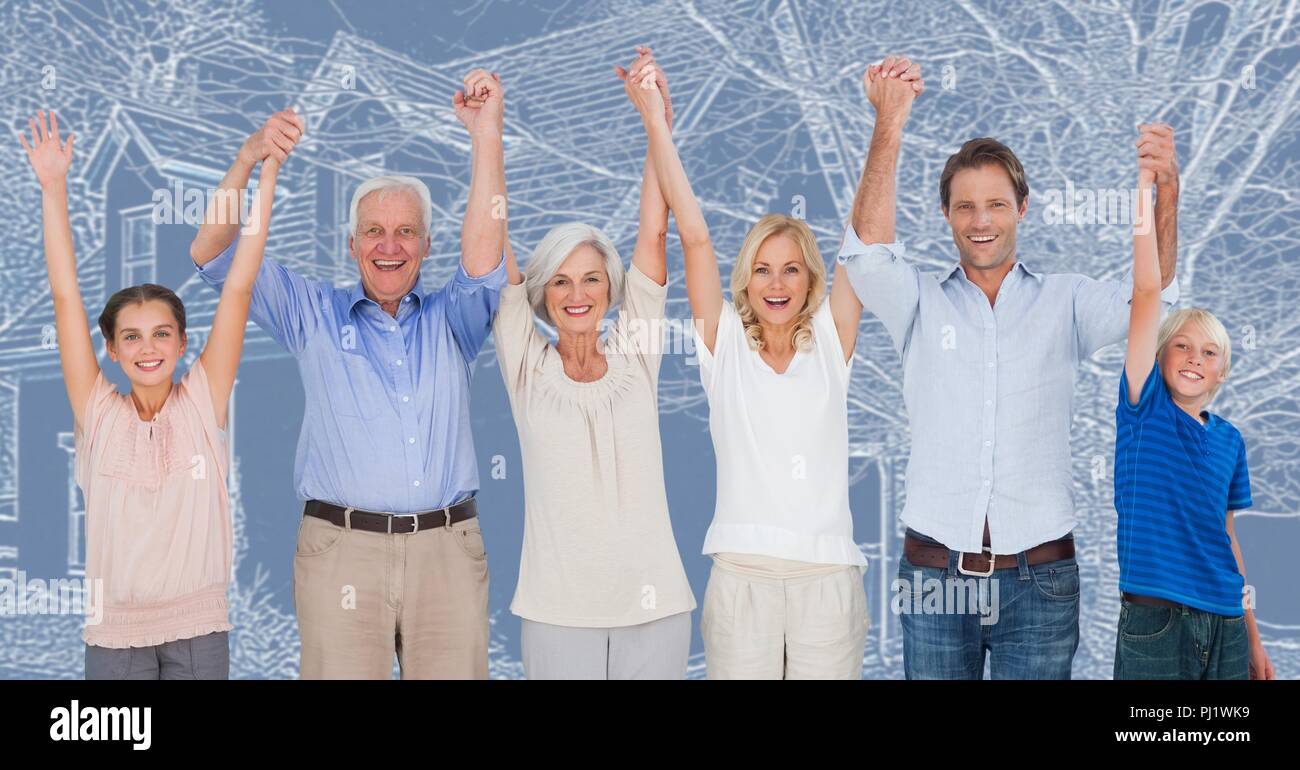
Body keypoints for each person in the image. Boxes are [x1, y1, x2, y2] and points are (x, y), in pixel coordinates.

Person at [838, 55, 1181, 679]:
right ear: (946, 214)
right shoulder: (918, 301)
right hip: (935, 578)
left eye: (996, 204)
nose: (981, 221)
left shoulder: (1066, 302)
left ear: (1022, 208)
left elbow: (1153, 307)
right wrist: (890, 120)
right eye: (965, 207)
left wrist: (1165, 197)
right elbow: (864, 258)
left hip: (1040, 583)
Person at [187, 71, 507, 680]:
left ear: (428, 245)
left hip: (446, 550)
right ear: (352, 244)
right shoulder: (310, 311)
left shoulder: (456, 319)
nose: (390, 245)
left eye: (406, 231)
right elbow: (212, 253)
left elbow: (486, 254)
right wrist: (247, 157)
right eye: (375, 232)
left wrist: (486, 134)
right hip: (340, 551)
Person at [640, 58, 926, 681]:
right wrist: (657, 123)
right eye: (764, 268)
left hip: (828, 584)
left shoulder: (830, 340)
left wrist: (887, 121)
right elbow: (693, 240)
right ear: (747, 277)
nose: (776, 282)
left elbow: (866, 244)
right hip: (741, 580)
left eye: (792, 268)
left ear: (810, 280)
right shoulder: (723, 348)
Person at [22, 109, 280, 679]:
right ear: (111, 349)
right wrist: (54, 187)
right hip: (115, 635)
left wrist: (266, 172)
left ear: (183, 343)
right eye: (131, 336)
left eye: (162, 333)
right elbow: (67, 298)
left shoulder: (201, 403)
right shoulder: (98, 414)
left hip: (198, 630)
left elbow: (238, 284)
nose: (148, 347)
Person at [492, 48, 695, 679]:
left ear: (610, 287)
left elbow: (654, 233)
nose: (577, 295)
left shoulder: (638, 348)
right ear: (543, 296)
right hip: (557, 611)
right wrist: (488, 134)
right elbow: (493, 247)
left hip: (656, 602)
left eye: (589, 279)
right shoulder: (526, 363)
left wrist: (654, 119)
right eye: (560, 282)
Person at [1111, 161, 1274, 680]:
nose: (1192, 357)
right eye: (1180, 345)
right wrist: (1147, 197)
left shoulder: (1229, 441)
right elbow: (1146, 295)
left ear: (1221, 371)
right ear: (1159, 357)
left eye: (1207, 352)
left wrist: (1253, 638)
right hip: (1156, 620)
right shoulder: (1144, 409)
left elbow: (1228, 542)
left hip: (1226, 623)